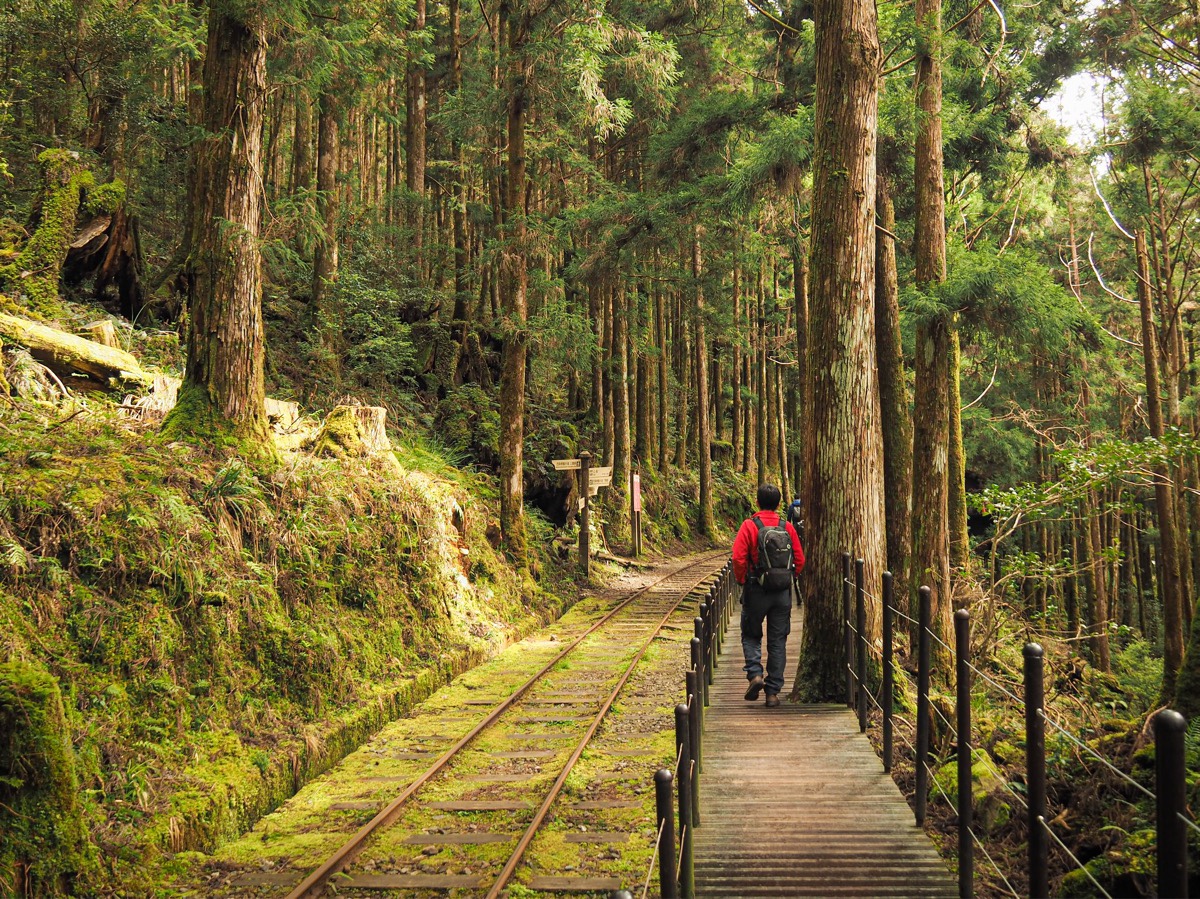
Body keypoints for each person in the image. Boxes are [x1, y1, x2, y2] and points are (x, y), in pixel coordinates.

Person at [732, 483, 805, 708]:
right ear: (779, 504)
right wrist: (785, 578)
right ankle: (773, 693)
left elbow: (738, 558)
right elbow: (800, 560)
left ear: (757, 502)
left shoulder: (749, 525)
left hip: (756, 589)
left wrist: (743, 579)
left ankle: (755, 674)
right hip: (782, 593)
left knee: (751, 634)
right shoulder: (787, 527)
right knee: (778, 641)